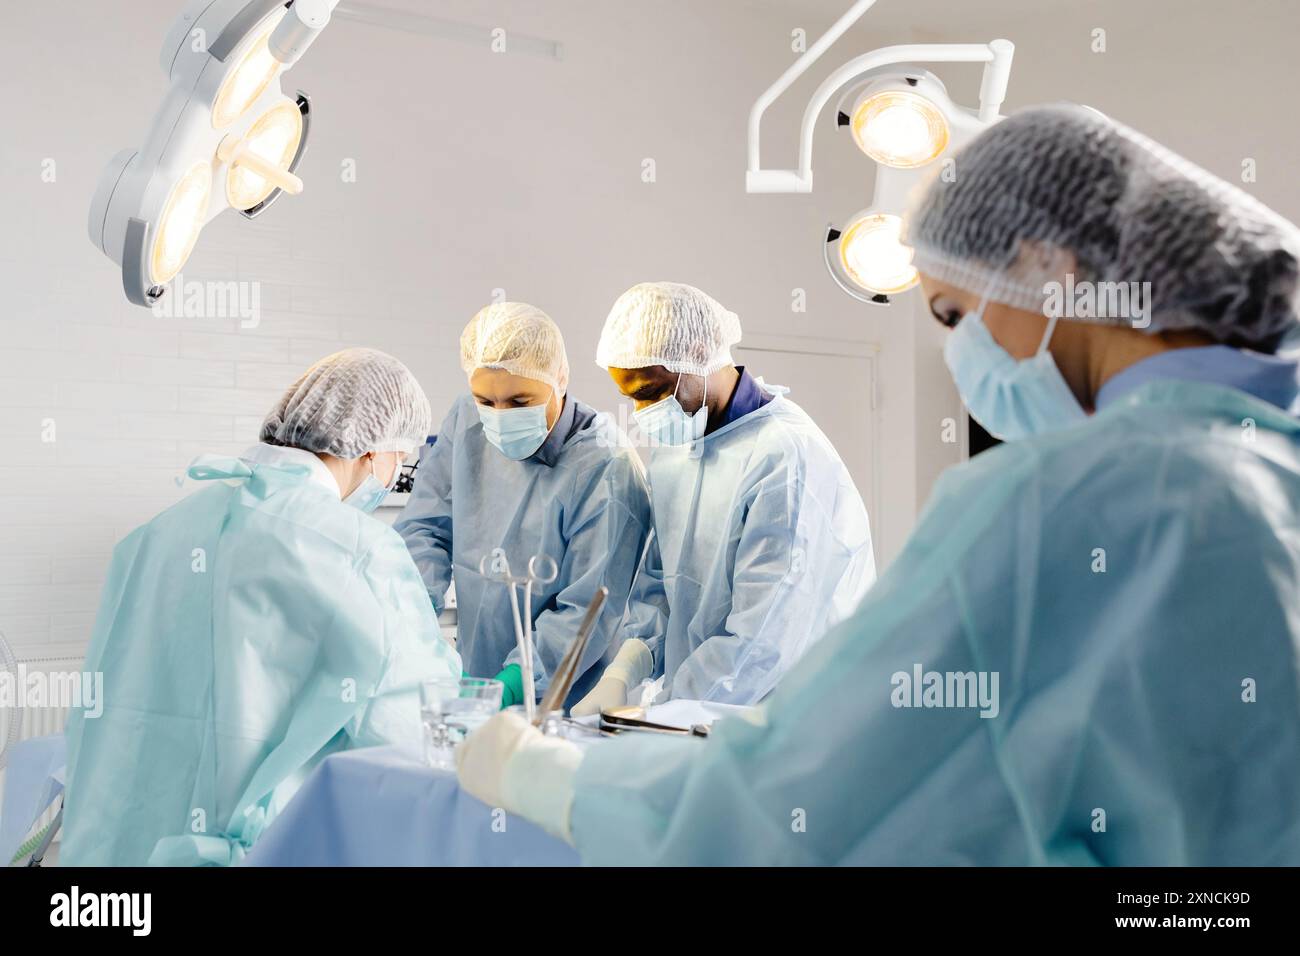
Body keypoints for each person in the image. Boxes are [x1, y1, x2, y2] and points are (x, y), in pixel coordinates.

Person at [456, 105, 1300, 865]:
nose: (957, 354)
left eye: (950, 315)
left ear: (1051, 266)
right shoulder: (1261, 465)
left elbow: (798, 806)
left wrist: (551, 781)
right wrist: (631, 675)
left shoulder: (1067, 501)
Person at [62, 348, 460, 866]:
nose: (393, 477)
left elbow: (105, 710)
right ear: (371, 452)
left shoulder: (155, 536)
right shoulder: (360, 551)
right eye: (399, 462)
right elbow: (412, 730)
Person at [571, 282, 875, 713]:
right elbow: (662, 579)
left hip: (790, 713)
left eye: (651, 392)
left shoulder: (784, 457)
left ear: (697, 353)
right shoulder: (676, 447)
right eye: (631, 398)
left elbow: (763, 640)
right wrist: (626, 669)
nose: (642, 413)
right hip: (705, 709)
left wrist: (667, 714)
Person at [395, 303, 651, 710]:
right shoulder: (466, 418)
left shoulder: (607, 466)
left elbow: (588, 609)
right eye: (486, 400)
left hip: (567, 699)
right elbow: (424, 527)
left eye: (519, 401)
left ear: (560, 379)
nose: (499, 416)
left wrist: (515, 683)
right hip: (476, 673)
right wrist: (414, 619)